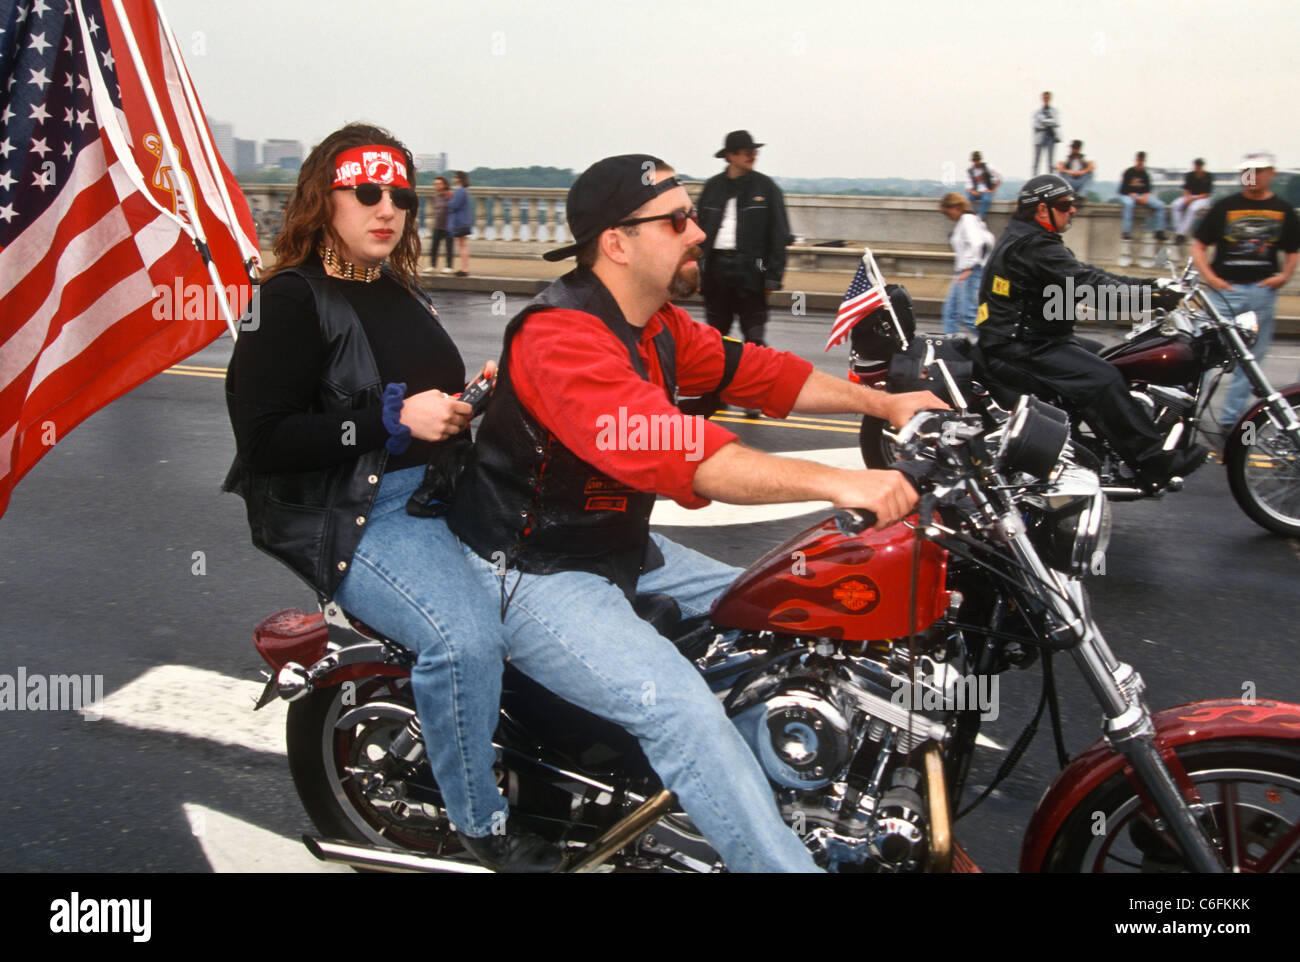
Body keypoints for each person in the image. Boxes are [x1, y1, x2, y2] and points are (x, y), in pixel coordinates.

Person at [445, 154, 944, 872]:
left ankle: (789, 781)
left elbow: (763, 374)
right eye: (678, 220)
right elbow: (686, 453)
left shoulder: (661, 326)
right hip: (533, 568)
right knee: (680, 711)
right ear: (617, 242)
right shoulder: (560, 338)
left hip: (618, 548)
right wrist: (844, 485)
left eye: (696, 216)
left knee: (785, 611)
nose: (699, 233)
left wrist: (886, 403)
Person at [223, 124, 559, 873]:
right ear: (323, 198)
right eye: (366, 191)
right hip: (361, 517)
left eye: (401, 195)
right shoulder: (284, 300)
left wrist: (472, 395)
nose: (387, 208)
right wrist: (387, 421)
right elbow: (264, 441)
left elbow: (421, 406)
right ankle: (482, 823)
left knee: (569, 579)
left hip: (443, 490)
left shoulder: (395, 288)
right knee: (463, 638)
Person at [975, 174, 1208, 486]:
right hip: (1023, 346)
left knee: (1111, 358)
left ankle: (1098, 442)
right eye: (1065, 205)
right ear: (1042, 210)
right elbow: (1088, 287)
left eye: (1074, 203)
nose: (1073, 210)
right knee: (1104, 376)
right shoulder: (1034, 246)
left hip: (1034, 338)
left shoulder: (1032, 238)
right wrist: (1151, 298)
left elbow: (1088, 274)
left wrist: (1149, 287)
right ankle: (1151, 461)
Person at [1192, 150, 1300, 430]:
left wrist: (1283, 277)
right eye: (1247, 172)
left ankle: (1229, 421)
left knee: (1249, 362)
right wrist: (1211, 278)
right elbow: (1199, 244)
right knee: (1200, 354)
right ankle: (1187, 413)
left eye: (1258, 171)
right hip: (1223, 291)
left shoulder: (1283, 211)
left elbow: (1292, 249)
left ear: (1271, 174)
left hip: (1260, 291)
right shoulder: (1225, 207)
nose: (1251, 177)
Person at [698, 130, 790, 347]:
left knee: (754, 336)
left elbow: (779, 234)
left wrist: (772, 276)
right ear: (730, 156)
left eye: (754, 152)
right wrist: (698, 272)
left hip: (752, 269)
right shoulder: (712, 187)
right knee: (716, 337)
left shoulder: (766, 187)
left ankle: (756, 377)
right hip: (716, 269)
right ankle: (719, 377)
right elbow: (699, 233)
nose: (752, 156)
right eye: (746, 152)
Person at [940, 192, 992, 337]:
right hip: (964, 272)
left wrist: (969, 267)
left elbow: (979, 243)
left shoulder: (968, 220)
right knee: (950, 312)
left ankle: (992, 343)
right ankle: (949, 347)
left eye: (947, 212)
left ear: (956, 207)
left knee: (968, 316)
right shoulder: (970, 220)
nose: (948, 217)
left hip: (969, 272)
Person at [1117, 151, 1167, 241]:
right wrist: (1136, 197)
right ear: (1136, 160)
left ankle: (1159, 231)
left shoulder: (1145, 174)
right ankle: (1126, 231)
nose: (1140, 162)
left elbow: (1147, 190)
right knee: (1129, 205)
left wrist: (1144, 197)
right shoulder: (1129, 172)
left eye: (1142, 161)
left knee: (1160, 205)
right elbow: (1124, 189)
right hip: (1128, 195)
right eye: (1139, 160)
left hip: (1141, 195)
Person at [1170, 158, 1214, 244]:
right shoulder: (1190, 175)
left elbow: (1207, 193)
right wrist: (1187, 198)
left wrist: (1193, 199)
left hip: (1202, 198)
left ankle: (1181, 234)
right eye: (1197, 165)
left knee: (1192, 209)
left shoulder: (1208, 176)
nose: (1198, 167)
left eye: (1199, 165)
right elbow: (1186, 189)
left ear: (1202, 166)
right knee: (1175, 205)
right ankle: (1179, 230)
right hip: (1190, 196)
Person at [447, 170, 472, 276]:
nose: (453, 178)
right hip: (464, 221)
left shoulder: (460, 191)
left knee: (462, 245)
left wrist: (449, 200)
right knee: (462, 245)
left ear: (459, 179)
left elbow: (453, 206)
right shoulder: (463, 191)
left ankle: (464, 268)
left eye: (455, 177)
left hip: (460, 222)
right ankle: (464, 268)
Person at [429, 175, 454, 272]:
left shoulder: (449, 196)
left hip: (448, 225)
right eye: (435, 184)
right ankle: (432, 265)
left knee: (448, 247)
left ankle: (449, 266)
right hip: (437, 225)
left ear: (444, 185)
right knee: (434, 246)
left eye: (439, 184)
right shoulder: (436, 197)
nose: (437, 185)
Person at [965, 151, 1001, 219]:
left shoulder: (988, 167)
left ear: (980, 160)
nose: (976, 162)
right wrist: (972, 191)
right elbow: (968, 185)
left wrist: (992, 190)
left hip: (986, 191)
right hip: (975, 191)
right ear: (972, 161)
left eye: (978, 160)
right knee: (966, 200)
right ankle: (969, 216)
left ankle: (980, 217)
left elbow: (999, 177)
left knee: (986, 200)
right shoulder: (970, 171)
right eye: (975, 160)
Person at [1032, 91, 1060, 175]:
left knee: (1051, 160)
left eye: (1048, 98)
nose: (1046, 99)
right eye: (1045, 98)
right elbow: (1036, 124)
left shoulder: (1054, 111)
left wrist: (1043, 121)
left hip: (1050, 136)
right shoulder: (1037, 112)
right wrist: (1048, 120)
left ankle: (1051, 176)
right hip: (1040, 135)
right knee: (1037, 159)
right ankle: (1035, 176)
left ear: (1050, 99)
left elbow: (1055, 121)